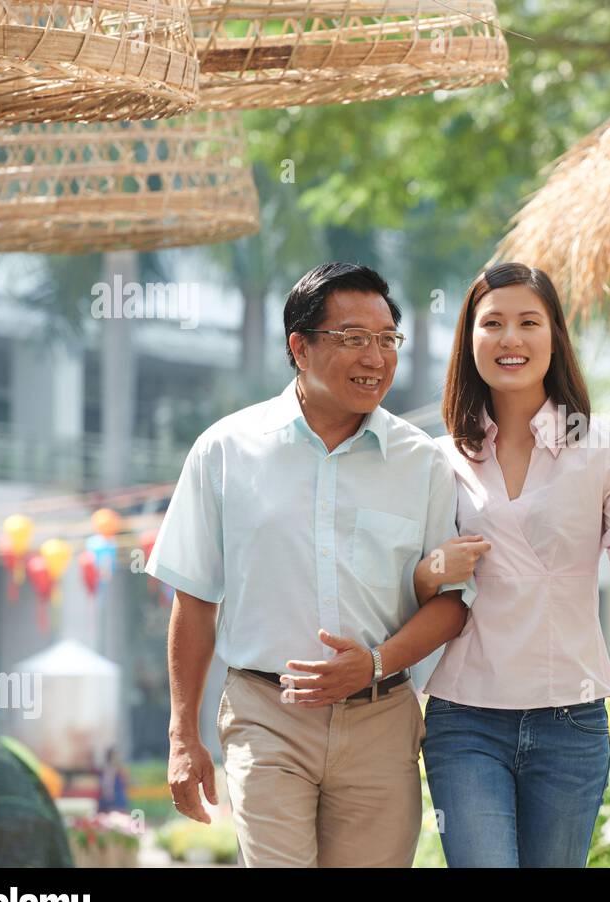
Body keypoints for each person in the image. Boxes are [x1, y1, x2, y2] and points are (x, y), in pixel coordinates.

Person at [147, 262, 475, 867]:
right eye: (353, 338)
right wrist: (182, 734)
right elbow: (194, 599)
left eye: (387, 339)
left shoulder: (421, 462)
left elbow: (452, 603)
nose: (375, 357)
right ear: (299, 347)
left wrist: (373, 664)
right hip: (266, 716)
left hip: (381, 720)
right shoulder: (225, 449)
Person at [415, 262, 610, 867]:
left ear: (555, 336)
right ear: (469, 339)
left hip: (569, 721)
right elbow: (411, 585)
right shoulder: (436, 459)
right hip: (465, 718)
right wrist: (433, 568)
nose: (510, 338)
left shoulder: (605, 448)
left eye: (528, 322)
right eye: (492, 324)